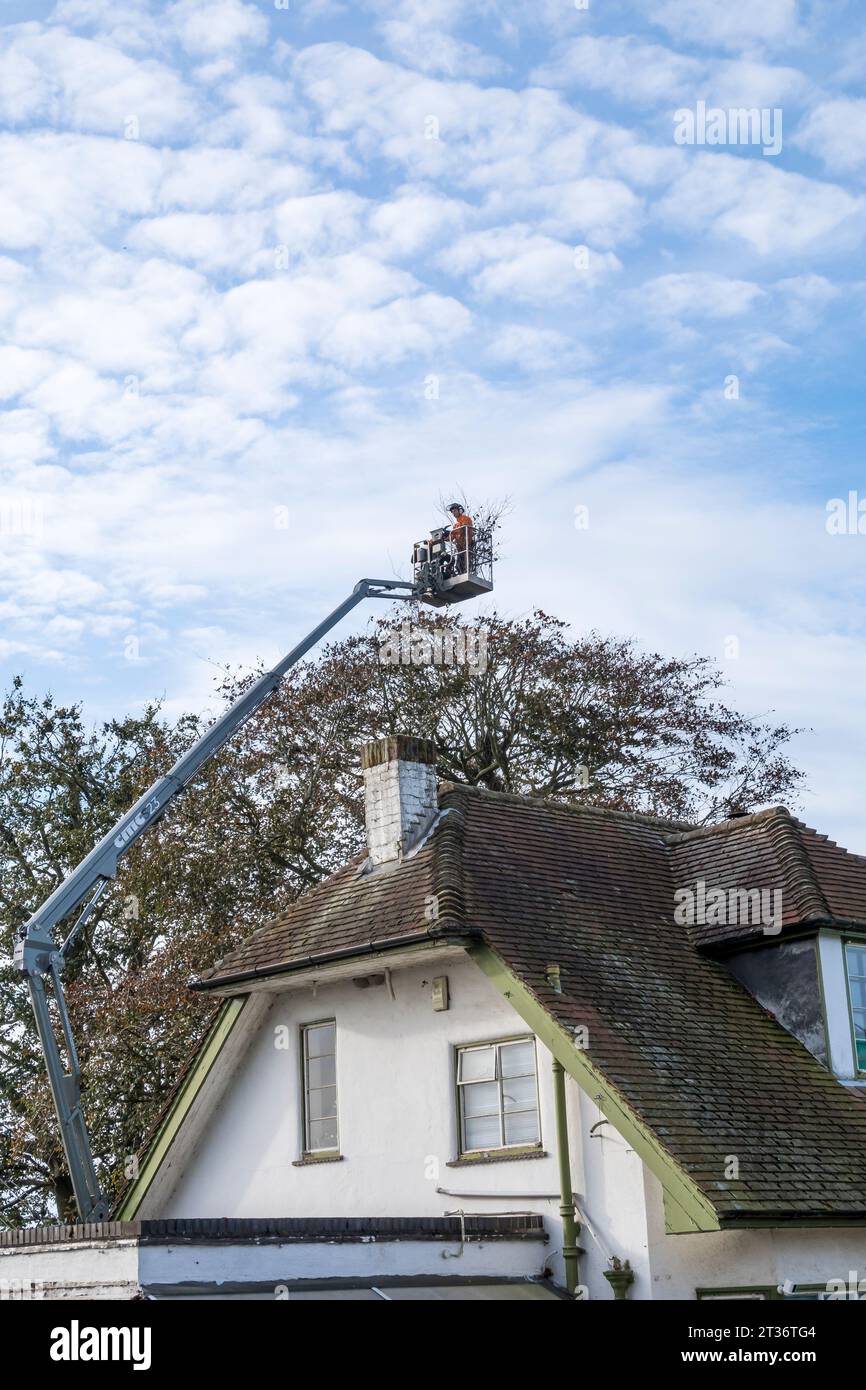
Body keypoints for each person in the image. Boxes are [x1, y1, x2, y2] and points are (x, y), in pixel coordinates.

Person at [447, 502, 474, 574]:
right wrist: (446, 536)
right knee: (458, 566)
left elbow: (464, 529)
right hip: (460, 547)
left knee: (466, 563)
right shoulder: (456, 525)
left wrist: (455, 532)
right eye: (452, 512)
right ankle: (461, 574)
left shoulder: (466, 519)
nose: (453, 513)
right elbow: (452, 537)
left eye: (455, 511)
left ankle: (466, 573)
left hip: (467, 545)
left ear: (460, 510)